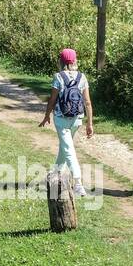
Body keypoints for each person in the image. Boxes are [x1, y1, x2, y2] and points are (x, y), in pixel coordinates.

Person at [38, 48, 93, 197]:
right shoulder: (82, 77)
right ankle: (54, 174)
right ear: (75, 61)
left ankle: (78, 183)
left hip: (61, 119)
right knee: (66, 146)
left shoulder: (59, 77)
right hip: (77, 119)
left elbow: (52, 100)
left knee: (68, 149)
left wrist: (46, 115)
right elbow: (87, 102)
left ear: (61, 61)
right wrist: (90, 123)